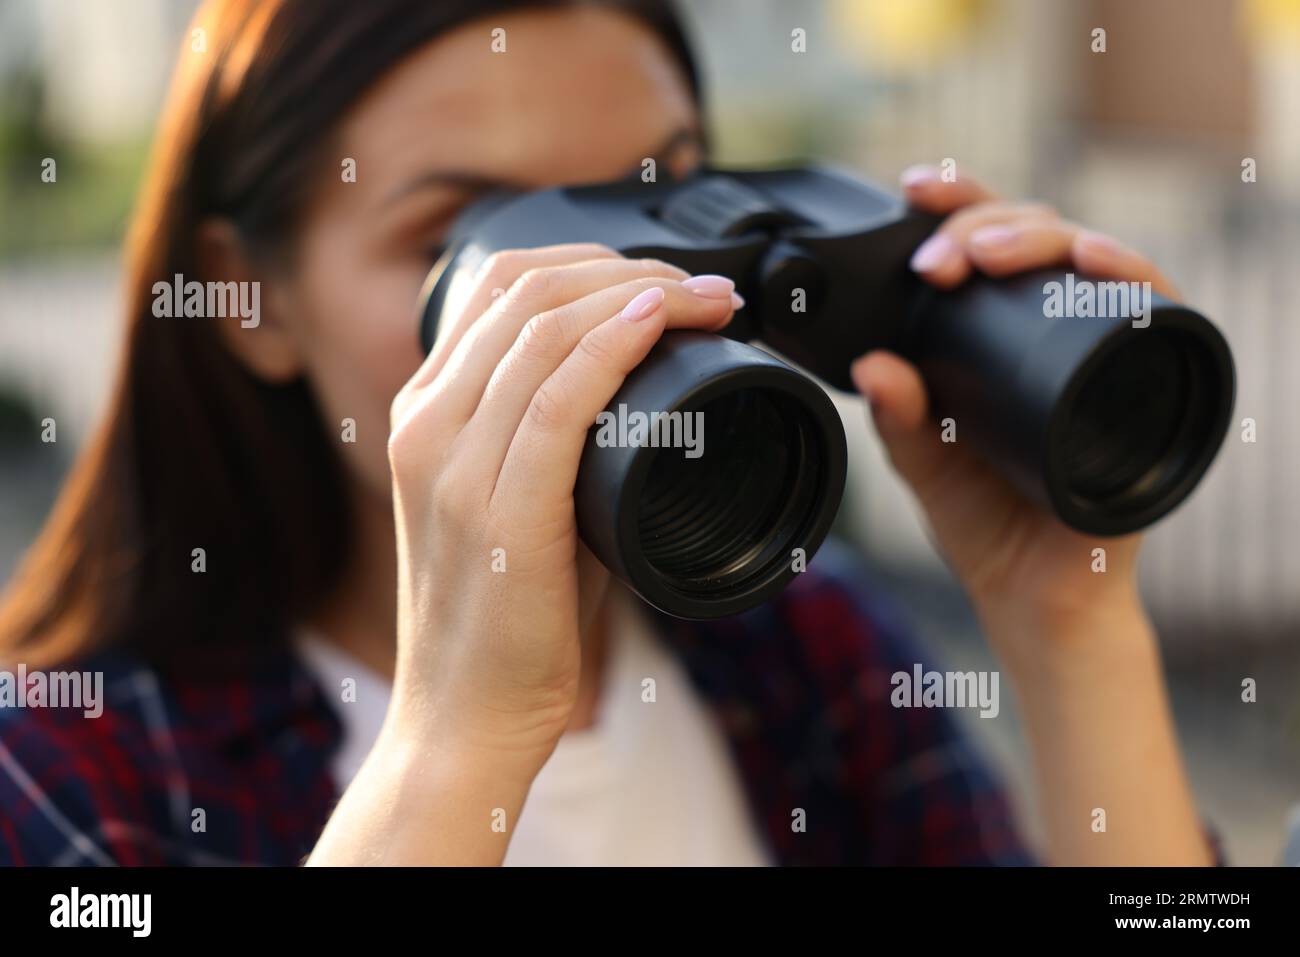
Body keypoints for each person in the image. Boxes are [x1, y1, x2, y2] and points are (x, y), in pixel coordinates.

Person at [0, 0, 1212, 866]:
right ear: (250, 298)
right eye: (476, 242)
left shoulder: (798, 649)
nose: (614, 314)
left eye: (662, 195)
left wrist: (1068, 626)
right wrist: (452, 751)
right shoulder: (71, 773)